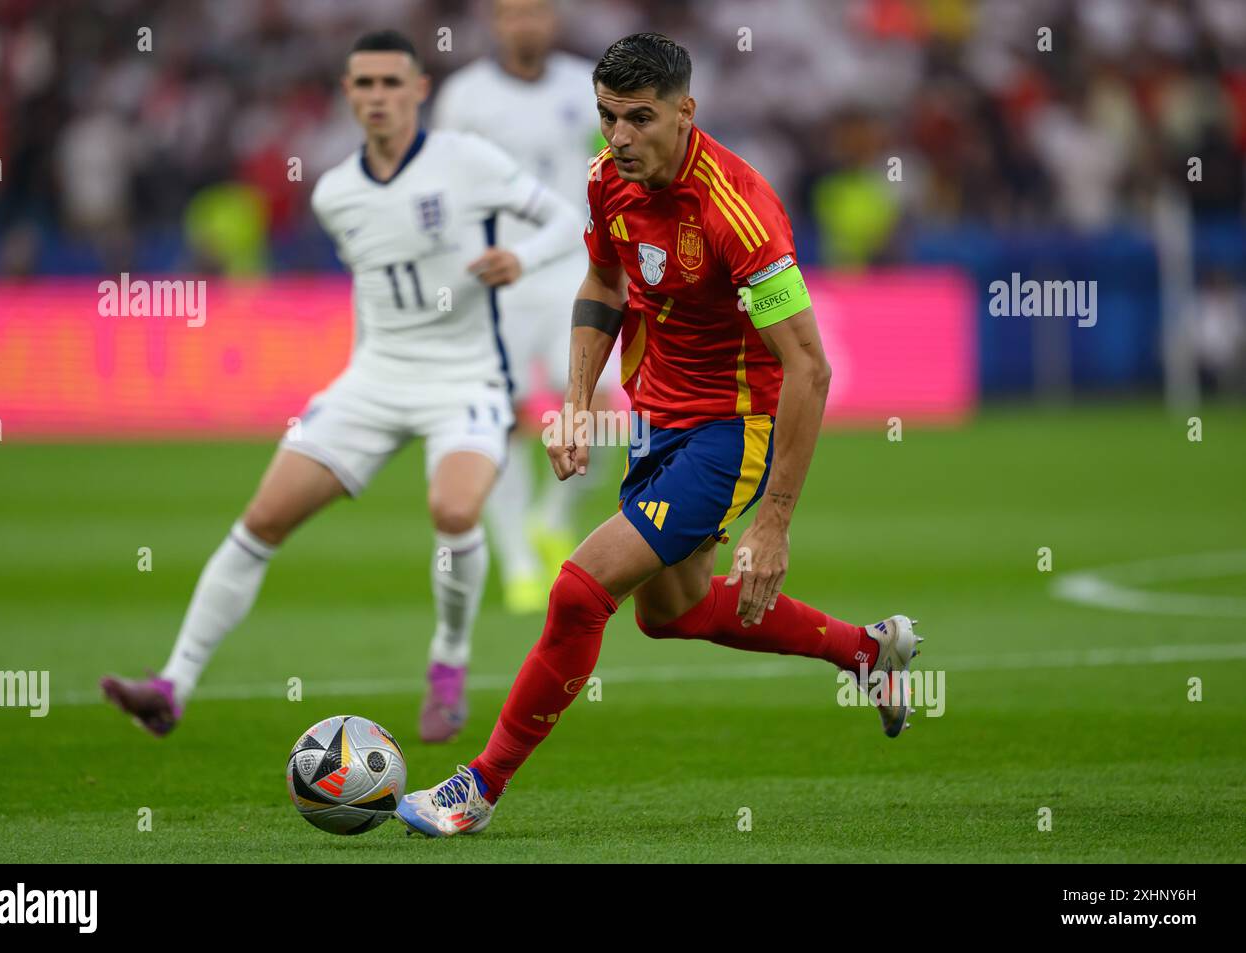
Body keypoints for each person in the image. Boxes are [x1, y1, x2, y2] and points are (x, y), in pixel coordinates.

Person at [398, 33, 922, 837]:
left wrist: (774, 519)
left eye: (639, 119)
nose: (619, 137)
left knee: (579, 592)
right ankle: (867, 652)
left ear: (686, 112)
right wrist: (577, 397)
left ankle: (476, 788)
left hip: (733, 431)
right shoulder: (609, 178)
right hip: (655, 420)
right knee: (670, 613)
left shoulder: (738, 212)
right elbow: (605, 279)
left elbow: (810, 369)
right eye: (608, 117)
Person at [100, 30, 582, 744]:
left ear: (420, 91)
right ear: (349, 95)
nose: (379, 97)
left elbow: (569, 220)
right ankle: (173, 683)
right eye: (365, 84)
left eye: (394, 83)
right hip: (375, 378)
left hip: (466, 376)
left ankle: (448, 663)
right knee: (261, 520)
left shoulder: (468, 161)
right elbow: (374, 284)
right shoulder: (336, 193)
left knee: (453, 510)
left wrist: (521, 257)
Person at [433, 0, 620, 613]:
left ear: (553, 19)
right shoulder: (464, 97)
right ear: (496, 22)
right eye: (514, 13)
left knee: (603, 407)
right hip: (499, 276)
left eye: (537, 12)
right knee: (504, 420)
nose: (527, 24)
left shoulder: (586, 85)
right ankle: (516, 561)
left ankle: (551, 515)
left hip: (575, 269)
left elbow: (614, 168)